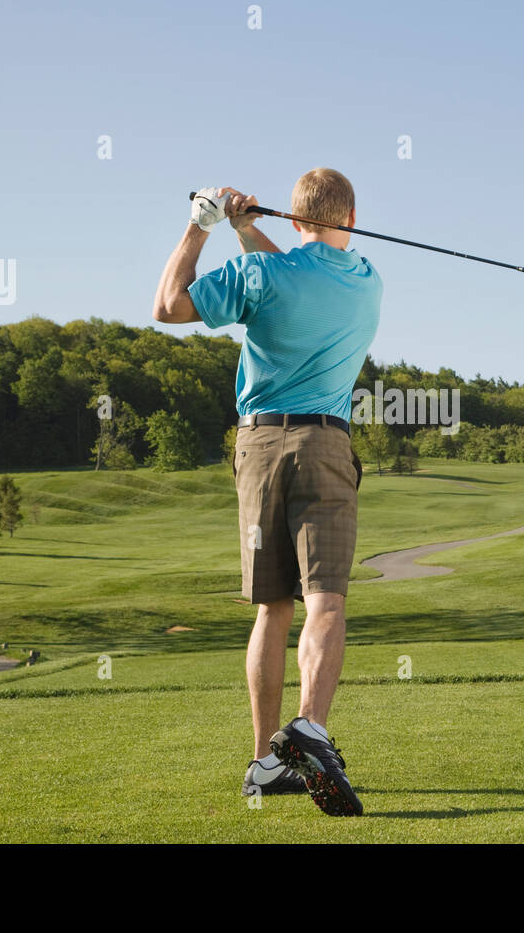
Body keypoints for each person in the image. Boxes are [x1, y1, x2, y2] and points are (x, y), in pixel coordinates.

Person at [152, 168, 381, 816]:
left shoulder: (260, 278)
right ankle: (307, 729)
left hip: (259, 447)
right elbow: (299, 277)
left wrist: (203, 225)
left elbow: (168, 306)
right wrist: (248, 228)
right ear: (352, 220)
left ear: (296, 218)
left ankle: (263, 763)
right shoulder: (367, 281)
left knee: (271, 606)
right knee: (326, 598)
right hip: (328, 446)